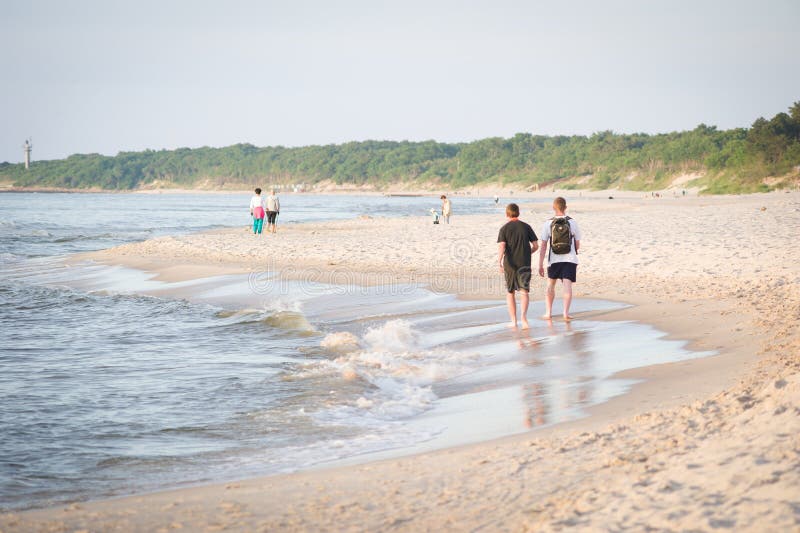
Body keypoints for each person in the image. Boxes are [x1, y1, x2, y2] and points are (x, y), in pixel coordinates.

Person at [538, 197, 582, 321]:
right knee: (567, 286)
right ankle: (565, 313)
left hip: (554, 260)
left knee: (550, 286)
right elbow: (577, 244)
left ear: (553, 207)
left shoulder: (548, 223)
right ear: (565, 207)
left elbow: (543, 246)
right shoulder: (572, 222)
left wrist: (540, 264)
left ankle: (548, 313)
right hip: (570, 259)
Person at [497, 203, 538, 329]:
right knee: (524, 292)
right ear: (518, 213)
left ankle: (514, 321)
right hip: (524, 262)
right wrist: (527, 253)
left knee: (510, 292)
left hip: (510, 264)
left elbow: (502, 246)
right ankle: (524, 319)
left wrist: (499, 261)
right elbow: (536, 246)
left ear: (507, 214)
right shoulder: (526, 227)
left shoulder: (504, 229)